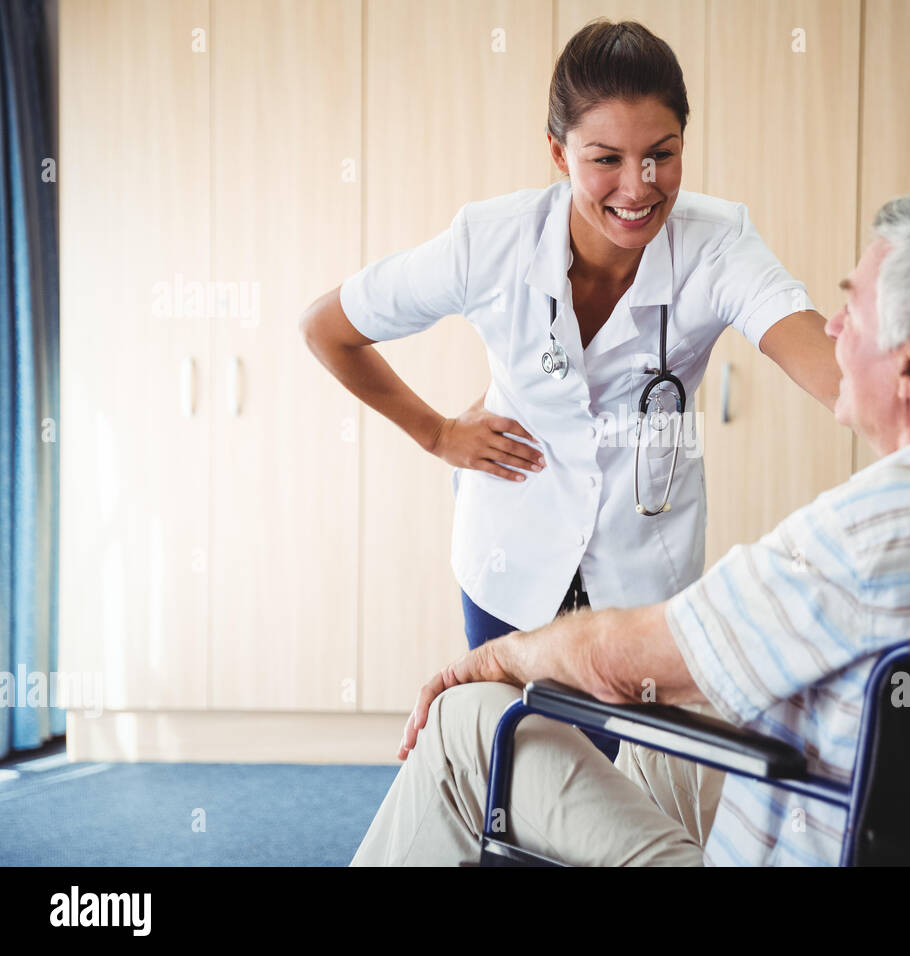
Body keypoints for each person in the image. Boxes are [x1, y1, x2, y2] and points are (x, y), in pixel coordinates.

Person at [347, 185, 910, 866]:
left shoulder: (856, 541)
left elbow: (616, 663)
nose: (830, 329)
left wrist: (484, 661)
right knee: (670, 724)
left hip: (821, 840)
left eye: (851, 308)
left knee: (467, 720)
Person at [299, 19, 840, 761]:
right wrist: (436, 433)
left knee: (625, 790)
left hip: (642, 579)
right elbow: (327, 326)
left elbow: (819, 357)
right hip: (510, 564)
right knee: (520, 780)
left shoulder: (718, 244)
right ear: (558, 153)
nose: (637, 187)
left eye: (662, 156)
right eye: (605, 159)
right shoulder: (488, 242)